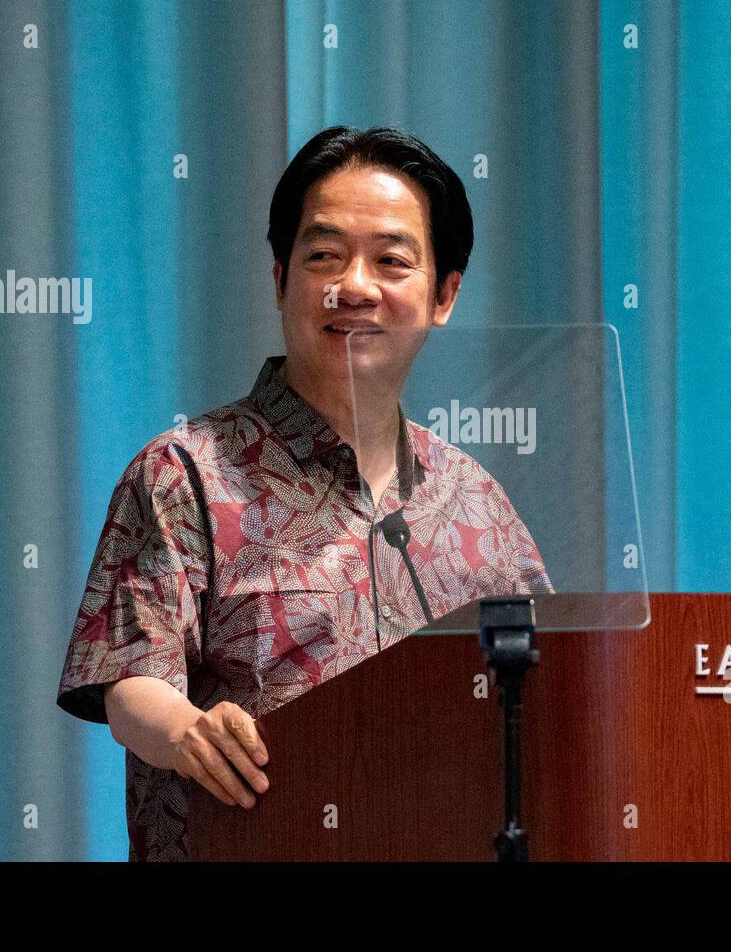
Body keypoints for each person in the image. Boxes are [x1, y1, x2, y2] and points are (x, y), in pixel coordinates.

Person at [56, 125, 553, 861]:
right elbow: (130, 687)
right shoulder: (185, 474)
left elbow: (549, 695)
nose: (354, 286)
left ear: (444, 294)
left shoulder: (476, 501)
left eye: (390, 260)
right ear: (280, 277)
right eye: (324, 255)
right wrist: (192, 732)